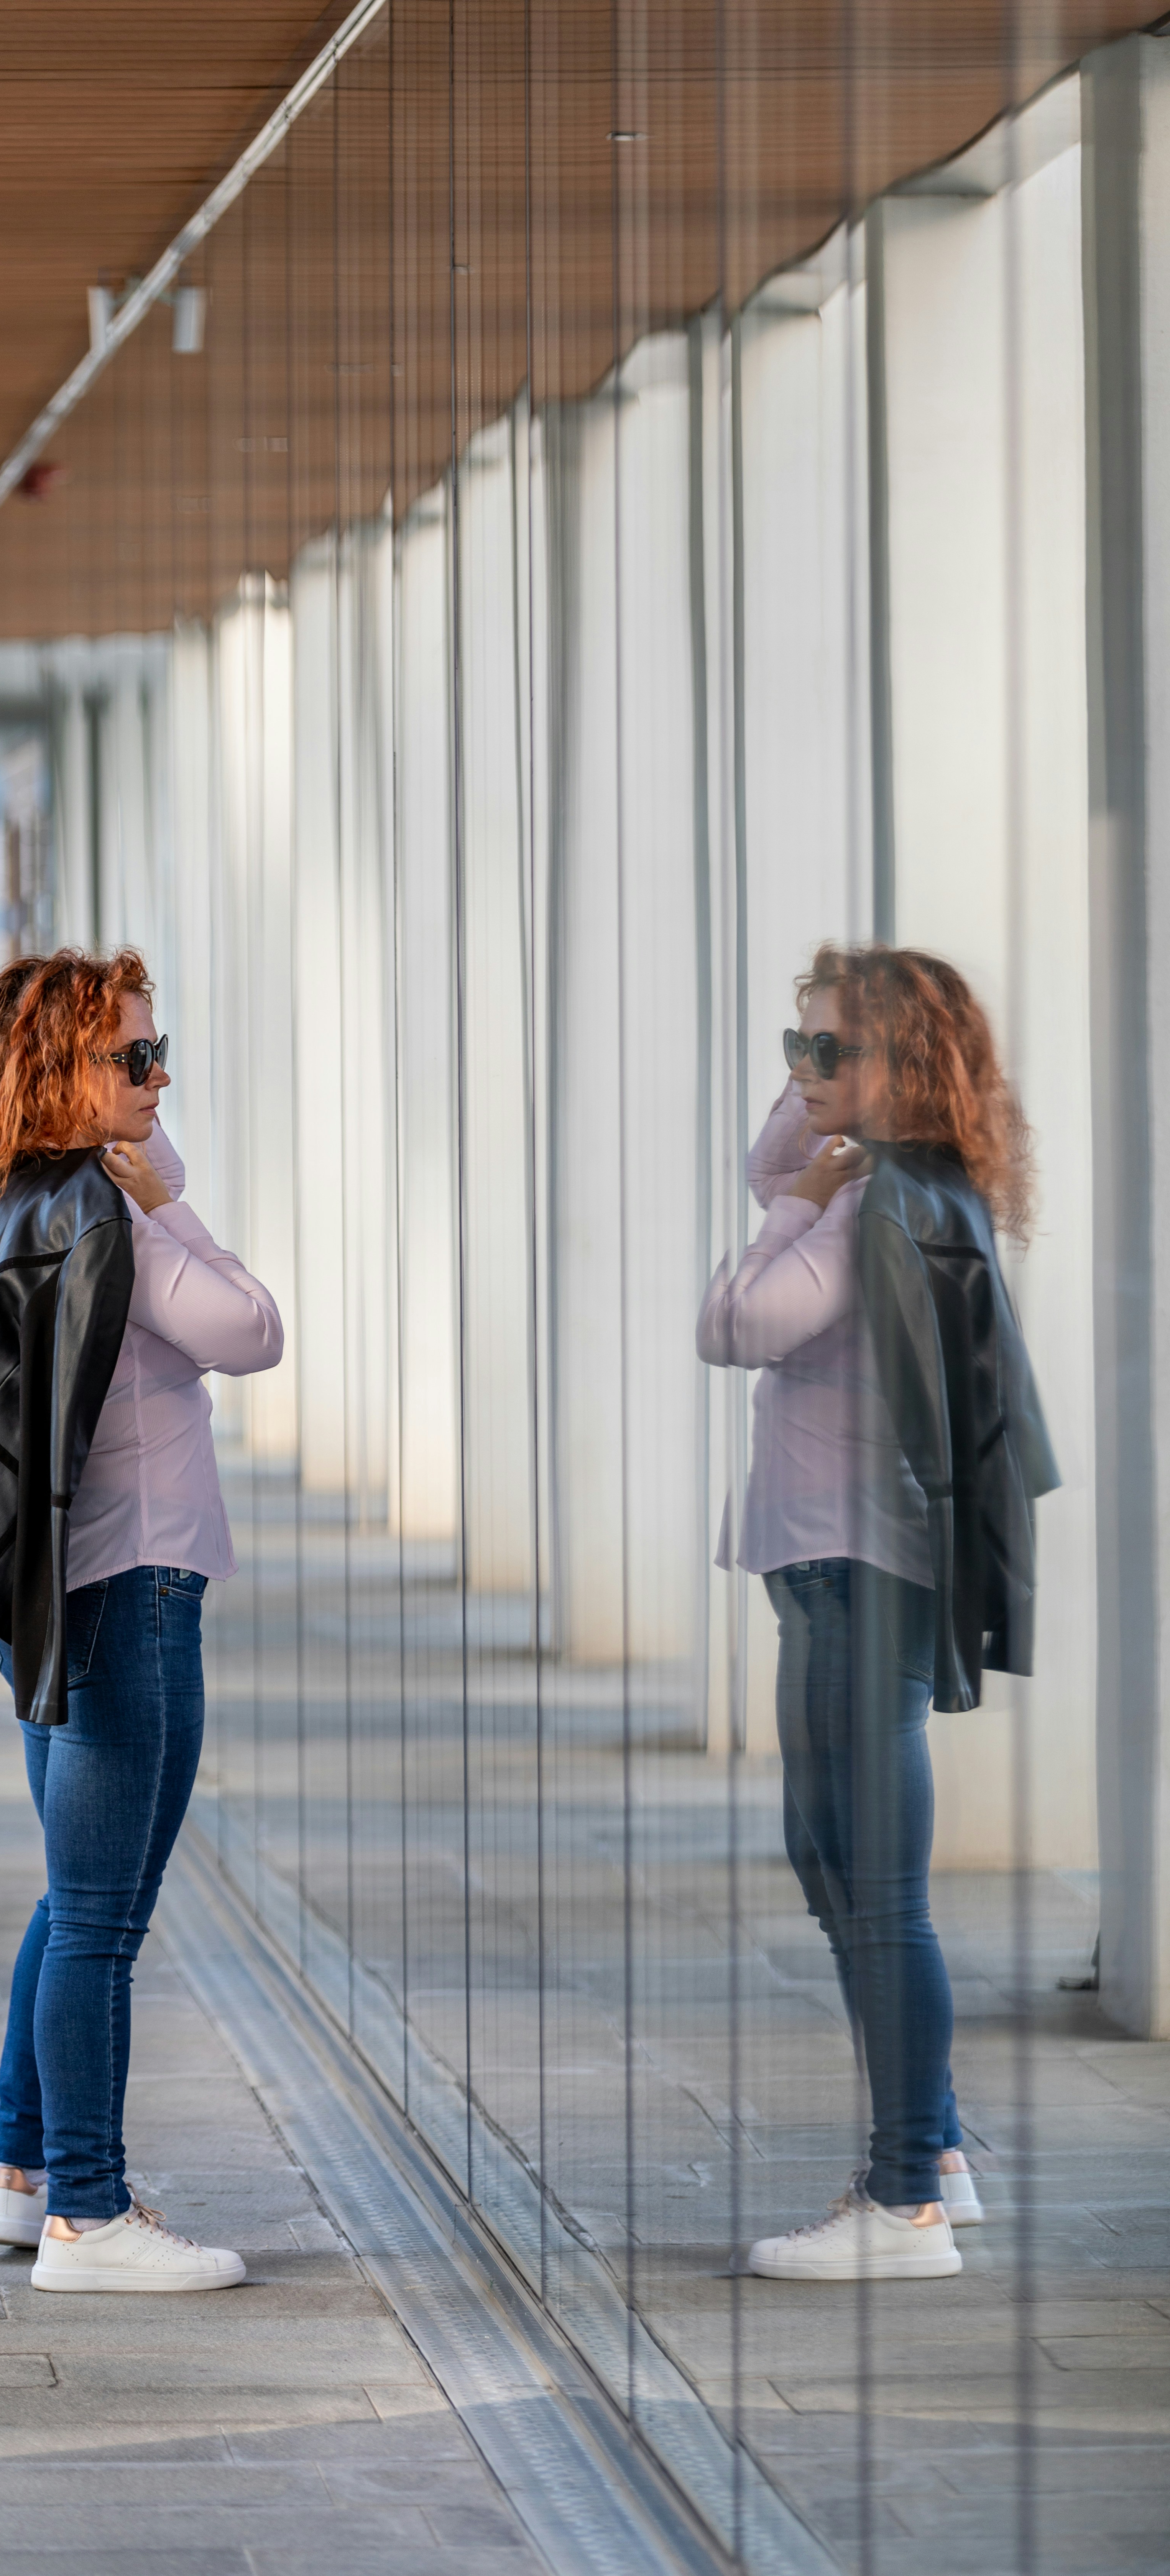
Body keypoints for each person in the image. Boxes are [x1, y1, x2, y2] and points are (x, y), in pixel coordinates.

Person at [0, 948, 283, 2292]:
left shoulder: (15, 1203)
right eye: (133, 1056)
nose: (159, 1072)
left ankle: (22, 2172)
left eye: (157, 1047)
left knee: (79, 1898)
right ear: (62, 1071)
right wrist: (171, 1202)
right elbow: (251, 1331)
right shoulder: (112, 1222)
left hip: (50, 1597)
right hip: (131, 1593)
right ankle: (90, 2214)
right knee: (102, 1920)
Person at [698, 942, 1055, 2283]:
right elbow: (763, 1163)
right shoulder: (903, 1182)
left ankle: (903, 2192)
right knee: (836, 1863)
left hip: (858, 1570)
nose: (800, 1075)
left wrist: (804, 1204)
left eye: (828, 1051)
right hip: (844, 1568)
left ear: (900, 1065)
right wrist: (815, 1109)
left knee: (875, 1887)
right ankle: (939, 2150)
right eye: (795, 1047)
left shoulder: (866, 1211)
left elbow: (735, 1322)